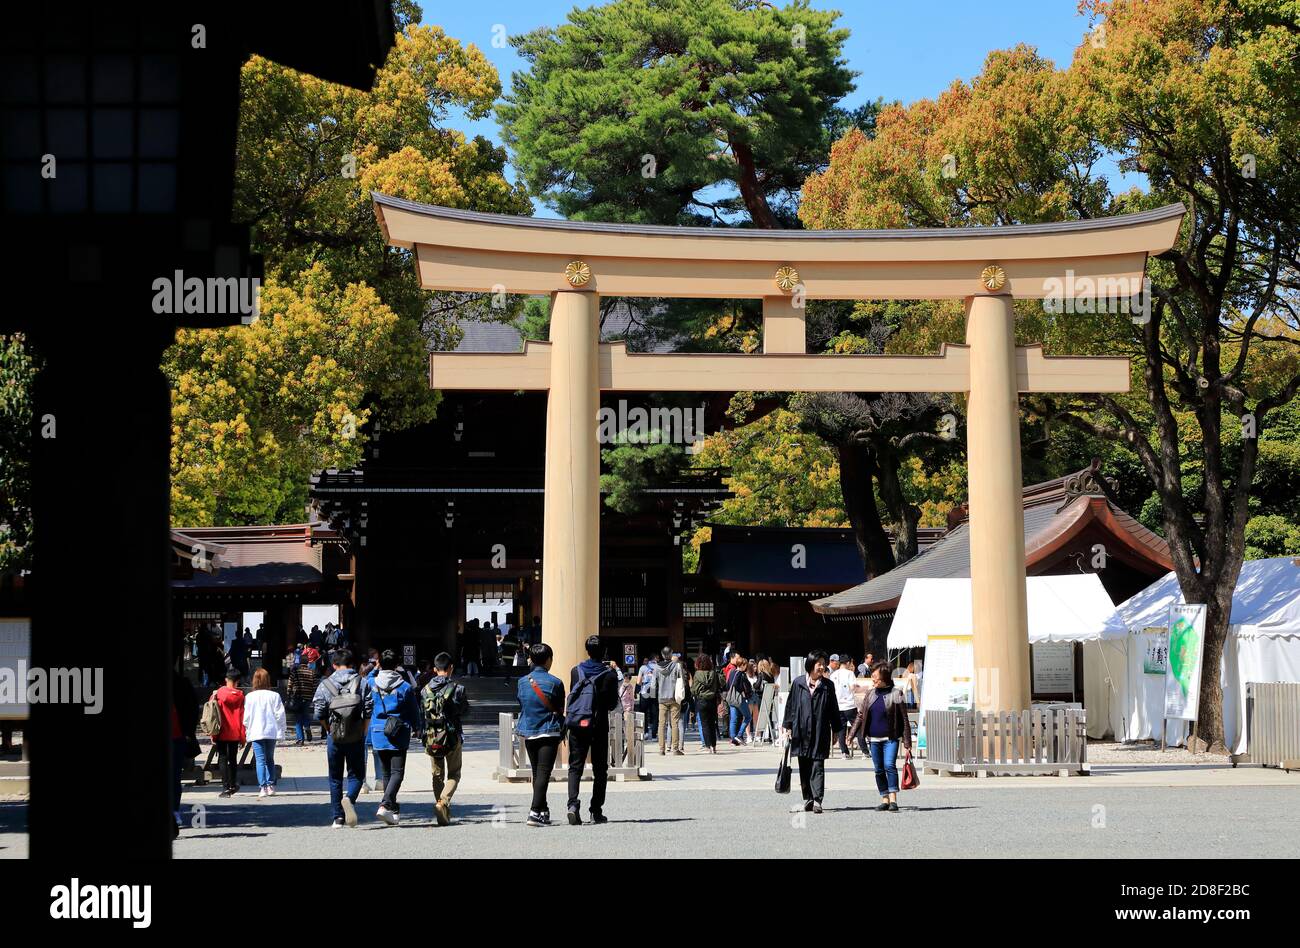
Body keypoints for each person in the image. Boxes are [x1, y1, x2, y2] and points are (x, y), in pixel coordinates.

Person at [312, 648, 373, 828]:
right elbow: (368, 709)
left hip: (335, 736)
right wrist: (363, 730)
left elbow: (318, 712)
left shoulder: (325, 684)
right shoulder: (362, 682)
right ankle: (349, 798)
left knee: (335, 777)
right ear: (352, 664)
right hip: (356, 734)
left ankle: (337, 817)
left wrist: (329, 729)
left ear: (333, 665)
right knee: (357, 774)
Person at [565, 635, 620, 825]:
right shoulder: (610, 675)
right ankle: (596, 810)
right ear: (604, 651)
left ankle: (573, 804)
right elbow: (613, 704)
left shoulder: (576, 671)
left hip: (578, 724)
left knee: (575, 766)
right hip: (598, 725)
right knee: (600, 769)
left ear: (586, 650)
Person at [781, 652, 841, 814]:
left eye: (823, 663)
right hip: (800, 731)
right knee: (804, 764)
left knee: (817, 764)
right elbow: (790, 705)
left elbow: (833, 709)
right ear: (810, 664)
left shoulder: (828, 685)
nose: (822, 666)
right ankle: (808, 797)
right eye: (819, 663)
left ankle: (817, 800)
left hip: (820, 730)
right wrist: (787, 725)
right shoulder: (799, 683)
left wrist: (836, 729)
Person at [369, 649, 421, 826]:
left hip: (378, 730)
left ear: (380, 664)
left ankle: (393, 809)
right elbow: (414, 710)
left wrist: (376, 669)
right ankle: (385, 804)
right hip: (398, 730)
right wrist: (418, 727)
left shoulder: (372, 683)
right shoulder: (404, 686)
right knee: (397, 772)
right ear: (397, 665)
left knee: (386, 773)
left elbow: (367, 676)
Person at [516, 643, 565, 827]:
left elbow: (521, 702)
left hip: (529, 730)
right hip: (549, 730)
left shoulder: (522, 682)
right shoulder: (555, 682)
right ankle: (534, 812)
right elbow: (560, 708)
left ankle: (543, 810)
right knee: (544, 773)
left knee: (537, 773)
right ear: (548, 660)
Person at [422, 651, 469, 826]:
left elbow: (422, 714)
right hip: (452, 735)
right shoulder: (458, 688)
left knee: (437, 774)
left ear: (435, 669)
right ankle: (443, 802)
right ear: (451, 668)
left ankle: (439, 804)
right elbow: (464, 710)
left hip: (432, 736)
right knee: (454, 773)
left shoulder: (424, 690)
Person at [863, 662, 913, 811]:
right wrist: (851, 735)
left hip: (890, 738)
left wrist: (907, 741)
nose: (873, 679)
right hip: (873, 739)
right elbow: (861, 716)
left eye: (875, 677)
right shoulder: (870, 693)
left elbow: (904, 718)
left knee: (889, 765)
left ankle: (893, 800)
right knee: (878, 769)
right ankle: (884, 799)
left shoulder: (896, 693)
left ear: (884, 677)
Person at [243, 667, 287, 797]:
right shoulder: (274, 695)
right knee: (270, 759)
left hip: (256, 730)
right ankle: (271, 785)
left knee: (260, 760)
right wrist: (282, 729)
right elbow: (280, 714)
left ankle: (262, 787)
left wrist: (247, 728)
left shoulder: (250, 696)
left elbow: (247, 717)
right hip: (271, 730)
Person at [213, 669, 246, 798]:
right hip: (235, 732)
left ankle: (225, 787)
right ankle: (233, 784)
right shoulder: (241, 696)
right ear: (237, 682)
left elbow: (213, 715)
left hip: (221, 731)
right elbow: (243, 717)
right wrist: (243, 737)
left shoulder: (218, 693)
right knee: (233, 759)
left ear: (226, 679)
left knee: (222, 758)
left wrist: (213, 735)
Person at [652, 646, 684, 755]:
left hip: (662, 698)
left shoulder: (656, 667)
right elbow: (681, 681)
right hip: (674, 697)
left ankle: (661, 749)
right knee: (674, 723)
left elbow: (653, 684)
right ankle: (675, 748)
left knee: (661, 724)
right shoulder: (677, 666)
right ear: (671, 654)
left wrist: (652, 697)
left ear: (662, 655)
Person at [691, 653, 724, 753]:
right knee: (712, 724)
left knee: (704, 724)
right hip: (712, 700)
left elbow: (694, 689)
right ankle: (714, 746)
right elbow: (721, 684)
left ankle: (708, 746)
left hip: (701, 700)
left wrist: (696, 692)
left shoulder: (697, 674)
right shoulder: (714, 673)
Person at [829, 655, 857, 759]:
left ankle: (844, 752)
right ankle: (865, 751)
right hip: (849, 704)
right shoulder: (850, 673)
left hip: (838, 705)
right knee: (857, 727)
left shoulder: (833, 674)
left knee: (841, 729)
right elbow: (853, 687)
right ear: (848, 663)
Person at [288, 654, 319, 745]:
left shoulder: (295, 671)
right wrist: (313, 696)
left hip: (297, 696)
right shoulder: (311, 672)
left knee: (298, 718)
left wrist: (289, 694)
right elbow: (315, 685)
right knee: (305, 714)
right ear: (307, 662)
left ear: (300, 661)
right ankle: (307, 727)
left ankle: (300, 739)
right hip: (308, 697)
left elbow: (290, 683)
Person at [724, 652, 752, 746]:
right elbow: (737, 684)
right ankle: (739, 735)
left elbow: (728, 684)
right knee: (748, 717)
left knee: (733, 719)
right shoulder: (740, 673)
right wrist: (743, 692)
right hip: (739, 699)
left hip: (731, 698)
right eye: (746, 665)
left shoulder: (732, 672)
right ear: (743, 665)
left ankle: (733, 738)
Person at [637, 654, 659, 740]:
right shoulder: (658, 667)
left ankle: (645, 732)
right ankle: (654, 735)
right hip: (654, 691)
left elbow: (638, 681)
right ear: (654, 659)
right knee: (655, 713)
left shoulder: (643, 667)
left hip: (644, 691)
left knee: (644, 713)